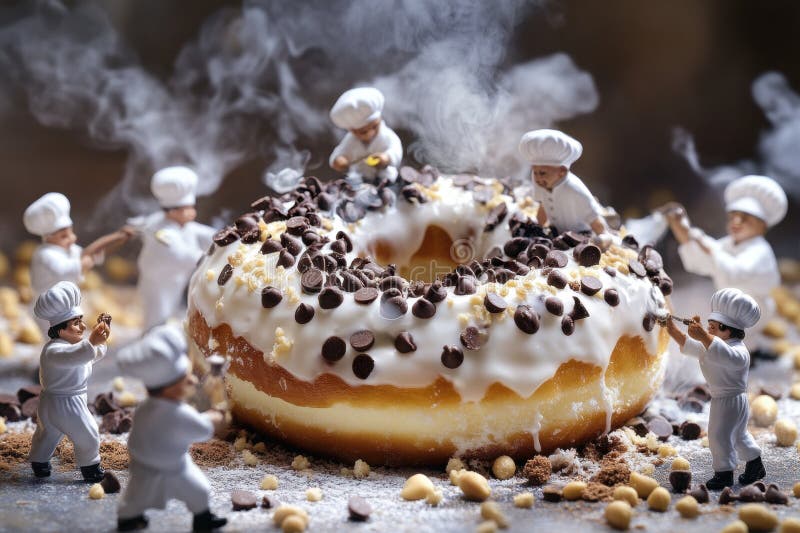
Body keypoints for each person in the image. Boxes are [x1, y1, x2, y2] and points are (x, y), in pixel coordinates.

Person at [116, 325, 226, 532]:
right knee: (196, 490)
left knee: (194, 490)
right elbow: (202, 429)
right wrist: (214, 416)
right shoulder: (177, 414)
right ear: (168, 388)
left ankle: (131, 518)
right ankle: (129, 518)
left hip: (147, 465)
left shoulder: (146, 407)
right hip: (171, 467)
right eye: (186, 379)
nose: (193, 381)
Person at [665, 175, 787, 358]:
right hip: (729, 309)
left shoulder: (760, 251)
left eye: (745, 218)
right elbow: (704, 259)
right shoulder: (729, 244)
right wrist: (682, 229)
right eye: (733, 217)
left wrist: (707, 246)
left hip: (753, 311)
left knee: (735, 344)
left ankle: (742, 356)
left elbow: (734, 271)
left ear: (762, 226)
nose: (736, 222)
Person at [662, 288, 765, 490]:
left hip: (732, 399)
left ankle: (724, 474)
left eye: (714, 328)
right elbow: (690, 345)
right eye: (708, 327)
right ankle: (755, 466)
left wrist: (704, 336)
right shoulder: (712, 344)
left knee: (719, 436)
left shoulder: (739, 351)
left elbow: (725, 355)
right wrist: (673, 330)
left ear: (729, 330)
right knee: (738, 435)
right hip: (723, 399)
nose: (709, 331)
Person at [28, 281, 110, 482]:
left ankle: (39, 462)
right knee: (88, 433)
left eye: (81, 320)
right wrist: (92, 342)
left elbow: (88, 354)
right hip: (66, 403)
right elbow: (78, 355)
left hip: (52, 403)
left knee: (48, 434)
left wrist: (100, 340)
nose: (83, 326)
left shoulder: (74, 347)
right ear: (60, 329)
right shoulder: (54, 351)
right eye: (76, 323)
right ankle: (91, 467)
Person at [125, 166, 216, 330]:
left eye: (191, 208)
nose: (191, 213)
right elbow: (180, 254)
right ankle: (152, 341)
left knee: (172, 310)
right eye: (186, 209)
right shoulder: (163, 233)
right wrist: (206, 258)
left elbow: (201, 232)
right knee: (158, 314)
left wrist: (224, 236)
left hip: (175, 279)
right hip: (158, 281)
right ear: (171, 211)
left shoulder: (183, 225)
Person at [24, 192, 131, 326]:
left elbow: (91, 252)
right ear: (48, 238)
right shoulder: (45, 254)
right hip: (49, 311)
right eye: (64, 236)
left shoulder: (69, 249)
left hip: (65, 307)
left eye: (71, 232)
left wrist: (117, 238)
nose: (72, 238)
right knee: (57, 342)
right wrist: (84, 263)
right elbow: (65, 270)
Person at [518, 129, 608, 239]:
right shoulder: (541, 183)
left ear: (562, 171)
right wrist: (538, 227)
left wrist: (603, 236)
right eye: (535, 172)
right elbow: (543, 206)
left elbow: (593, 217)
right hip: (555, 232)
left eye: (542, 172)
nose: (537, 177)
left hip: (580, 235)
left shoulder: (574, 189)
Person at [329, 87, 403, 184]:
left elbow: (396, 149)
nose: (371, 132)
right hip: (359, 179)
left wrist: (387, 157)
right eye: (363, 132)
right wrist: (339, 160)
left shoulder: (387, 135)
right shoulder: (351, 140)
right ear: (352, 131)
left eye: (375, 126)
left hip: (385, 178)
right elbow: (340, 152)